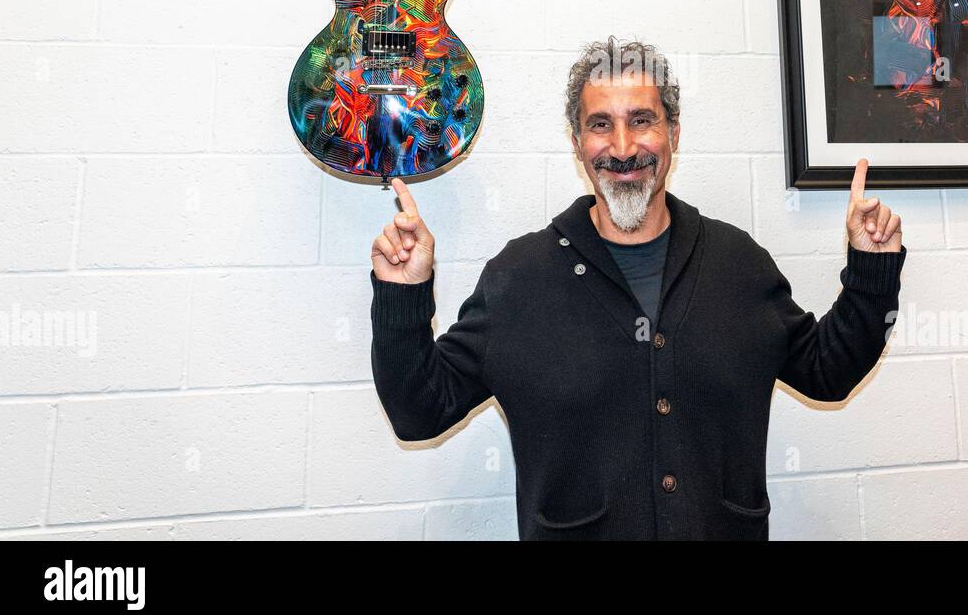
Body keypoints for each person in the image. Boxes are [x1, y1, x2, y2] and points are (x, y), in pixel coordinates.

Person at [369, 36, 906, 540]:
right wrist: (402, 296)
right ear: (578, 144)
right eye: (600, 125)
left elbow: (827, 373)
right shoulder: (519, 278)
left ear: (673, 133)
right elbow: (419, 412)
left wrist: (871, 271)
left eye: (642, 121)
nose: (622, 148)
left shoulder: (739, 264)